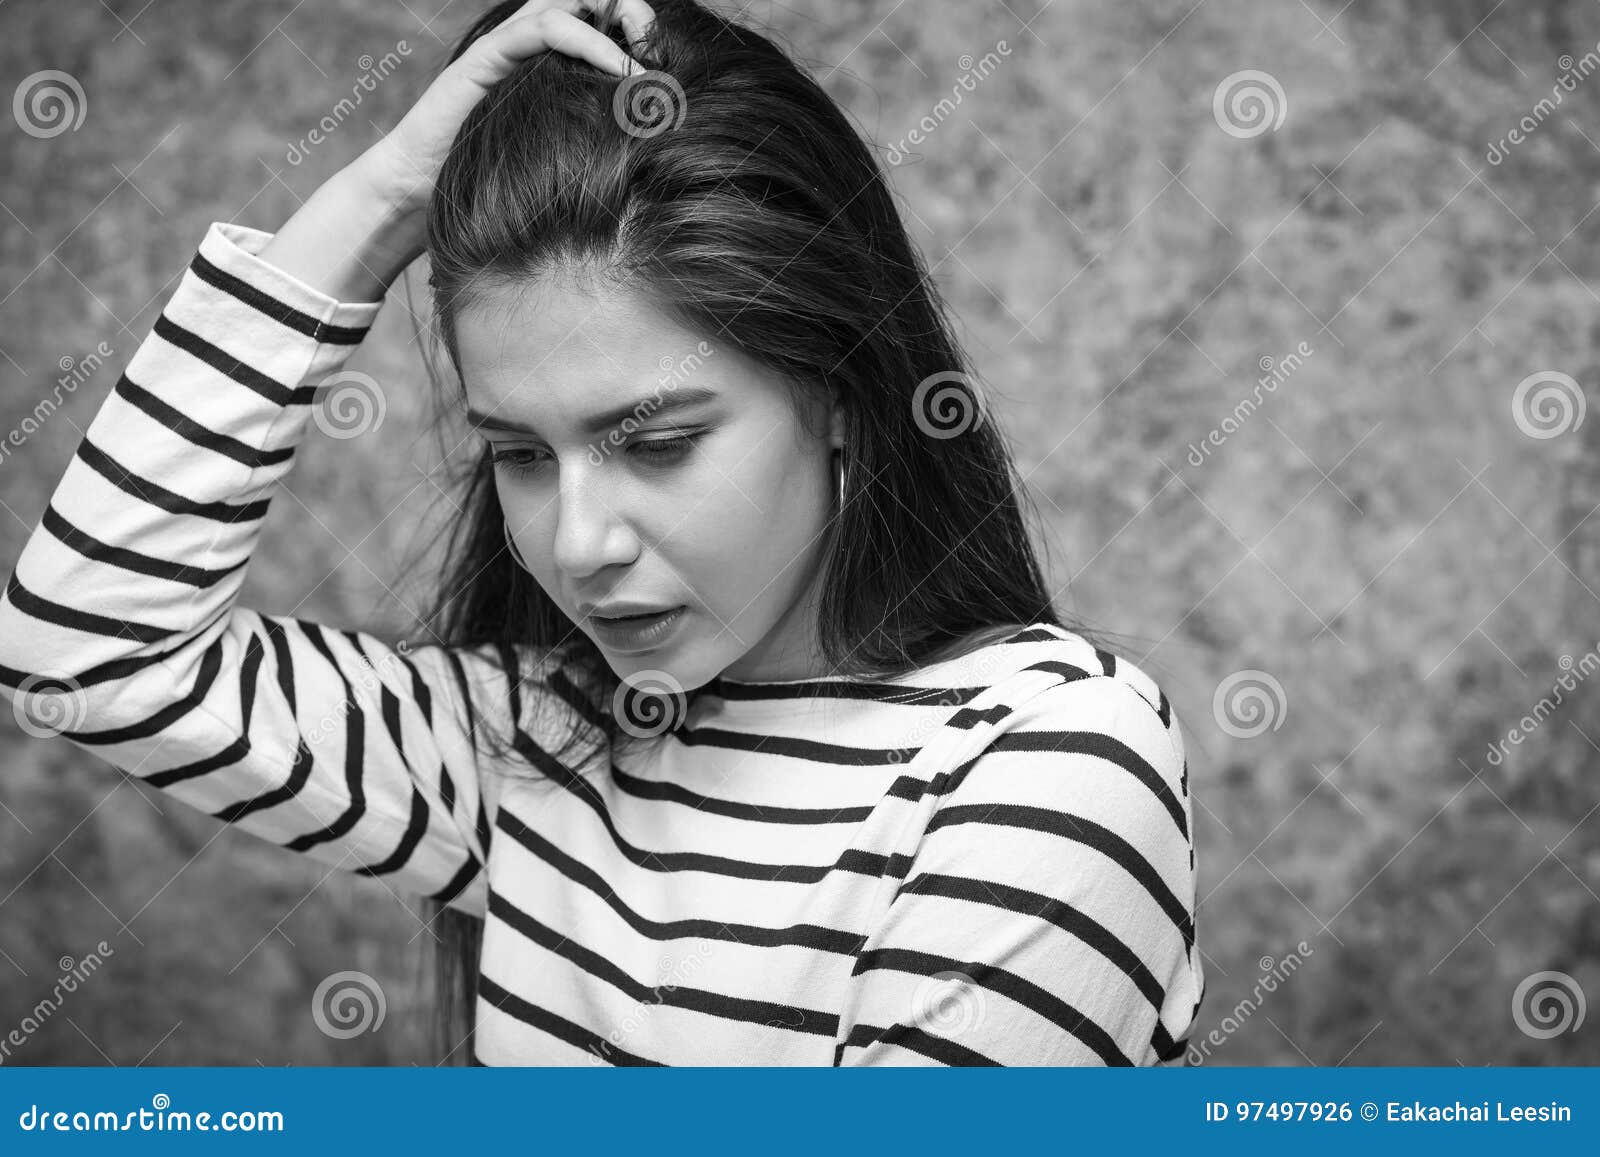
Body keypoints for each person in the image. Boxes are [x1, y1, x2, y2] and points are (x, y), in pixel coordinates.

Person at [0, 0, 1204, 1066]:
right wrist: (373, 207)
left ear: (840, 394)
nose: (578, 544)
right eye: (521, 455)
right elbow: (85, 653)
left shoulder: (1043, 756)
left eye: (656, 441)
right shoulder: (537, 744)